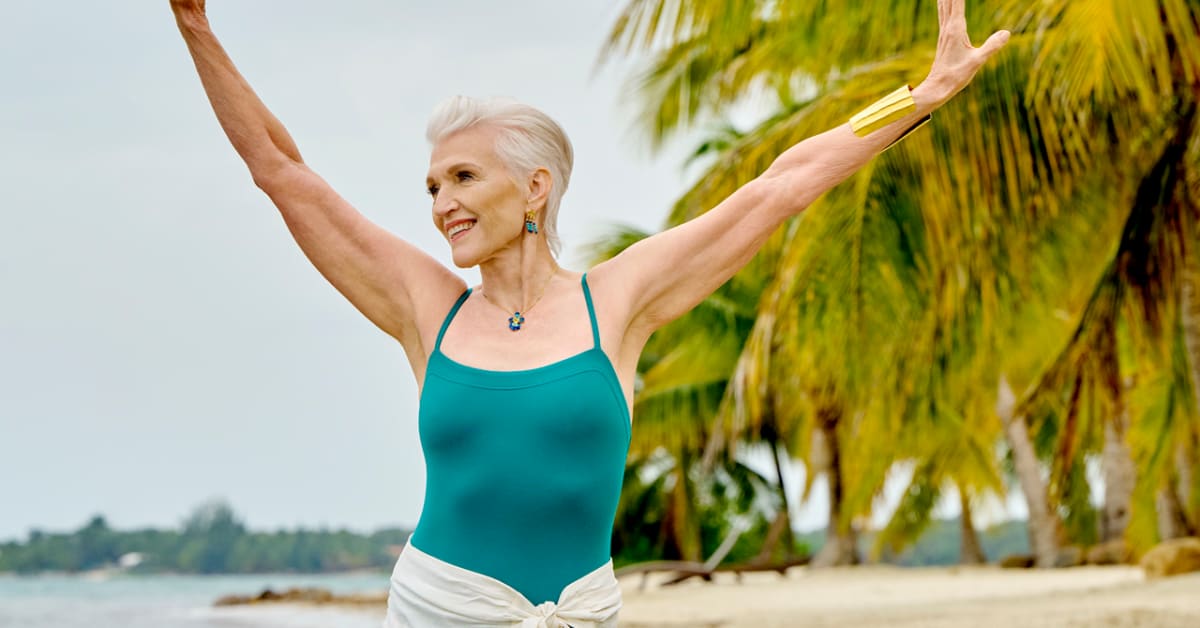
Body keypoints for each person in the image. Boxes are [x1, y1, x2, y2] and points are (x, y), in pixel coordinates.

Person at [168, 1, 1009, 625]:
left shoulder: (619, 301)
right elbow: (282, 172)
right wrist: (195, 25)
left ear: (535, 187)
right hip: (440, 611)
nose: (441, 204)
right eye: (431, 187)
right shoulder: (425, 307)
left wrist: (923, 95)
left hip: (582, 614)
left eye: (463, 177)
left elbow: (779, 186)